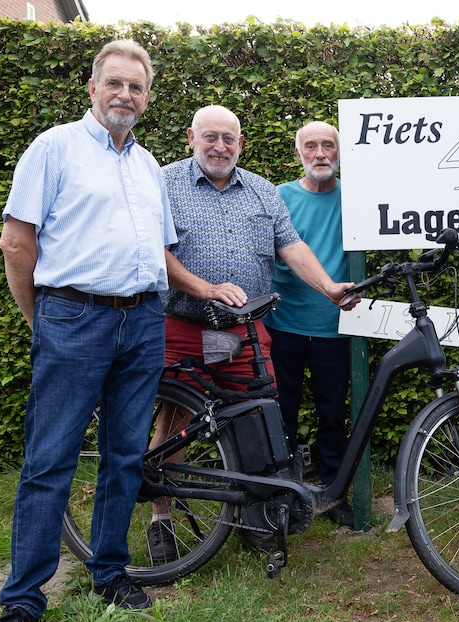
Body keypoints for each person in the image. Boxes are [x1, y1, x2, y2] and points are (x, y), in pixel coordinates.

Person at [0, 40, 175, 622]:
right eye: (115, 83)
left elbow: (160, 250)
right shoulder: (54, 147)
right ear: (93, 88)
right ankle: (23, 598)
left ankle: (110, 572)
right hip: (73, 318)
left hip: (143, 321)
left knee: (126, 457)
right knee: (50, 461)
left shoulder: (149, 166)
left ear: (147, 98)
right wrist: (42, 319)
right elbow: (18, 244)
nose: (126, 94)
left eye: (137, 86)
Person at [149, 107, 356, 558]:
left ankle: (255, 517)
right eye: (210, 137)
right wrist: (206, 289)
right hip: (184, 325)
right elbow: (152, 249)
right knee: (174, 422)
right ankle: (161, 518)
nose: (220, 146)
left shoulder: (262, 191)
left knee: (255, 421)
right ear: (191, 137)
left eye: (229, 139)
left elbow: (292, 246)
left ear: (240, 144)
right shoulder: (163, 183)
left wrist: (328, 288)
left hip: (244, 331)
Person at [263, 121, 355, 528]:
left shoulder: (358, 199)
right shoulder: (279, 197)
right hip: (282, 323)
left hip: (335, 326)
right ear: (298, 152)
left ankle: (333, 491)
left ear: (339, 152)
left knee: (333, 413)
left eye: (329, 146)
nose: (321, 154)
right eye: (312, 146)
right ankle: (283, 495)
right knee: (280, 411)